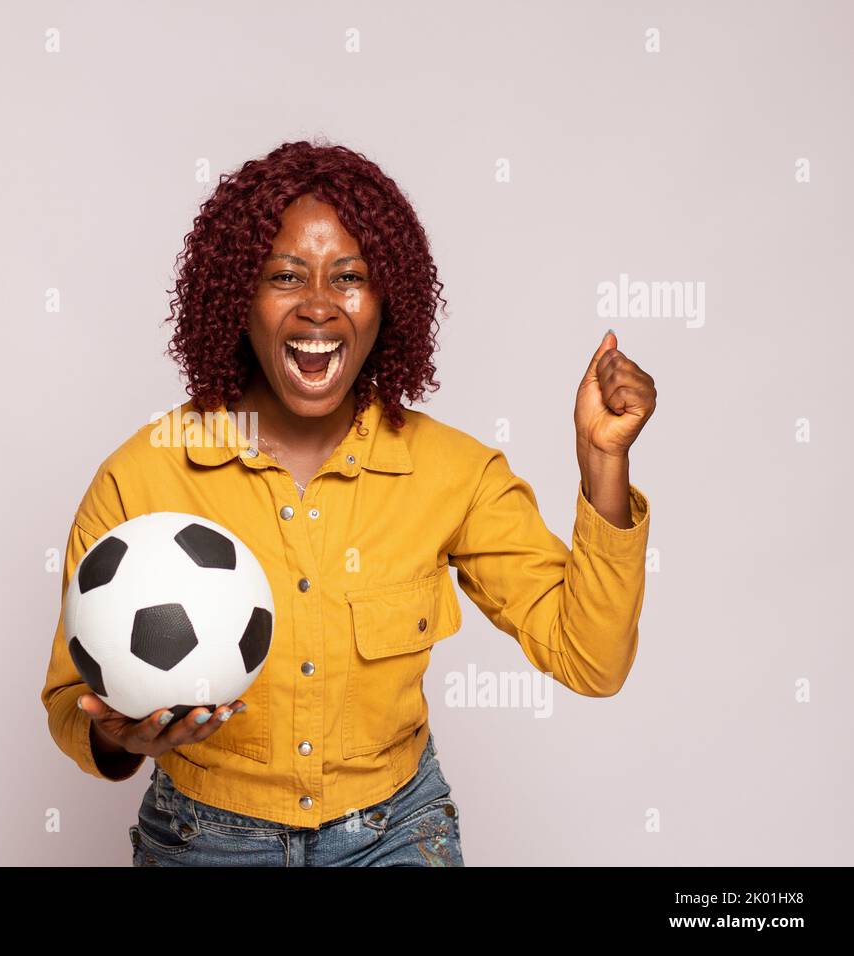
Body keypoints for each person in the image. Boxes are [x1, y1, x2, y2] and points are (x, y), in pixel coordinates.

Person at [39, 139, 656, 866]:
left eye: (350, 277)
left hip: (394, 836)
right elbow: (68, 702)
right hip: (203, 842)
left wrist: (604, 466)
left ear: (387, 296)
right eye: (286, 276)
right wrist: (119, 736)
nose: (320, 306)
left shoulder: (451, 471)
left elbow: (590, 659)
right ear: (238, 296)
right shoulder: (143, 474)